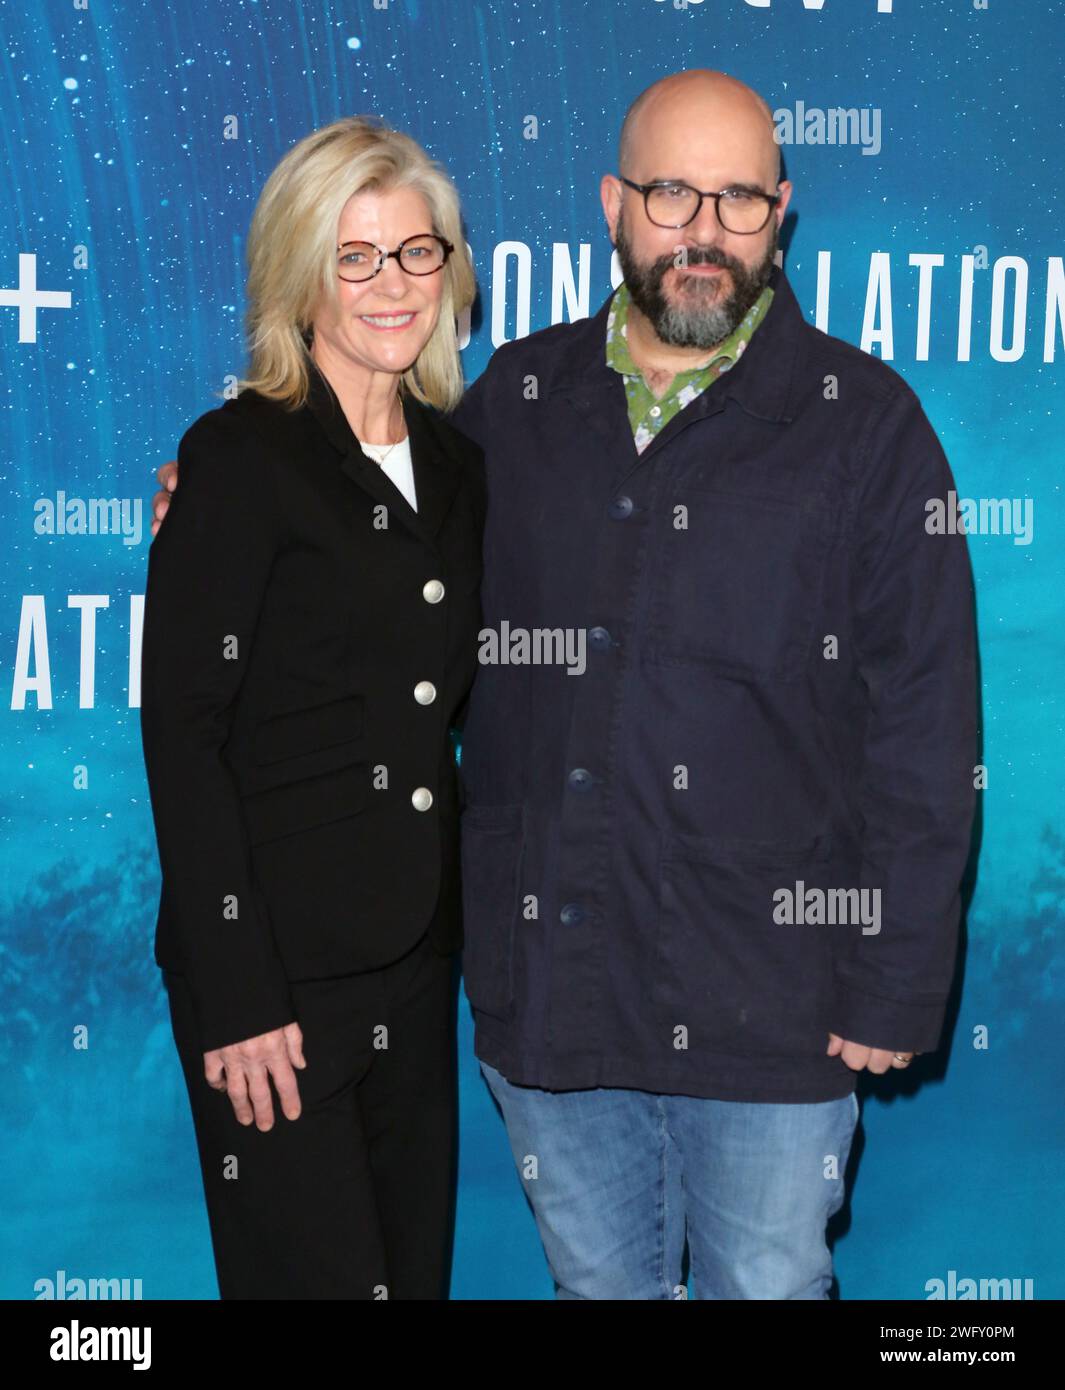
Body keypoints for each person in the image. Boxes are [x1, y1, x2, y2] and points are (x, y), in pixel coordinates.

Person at [153, 71, 978, 1301]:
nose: (702, 228)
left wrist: (896, 968)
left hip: (774, 1012)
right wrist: (208, 492)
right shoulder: (512, 413)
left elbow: (927, 721)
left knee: (768, 1286)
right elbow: (349, 546)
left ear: (782, 212)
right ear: (612, 205)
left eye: (738, 197)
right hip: (557, 1009)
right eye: (669, 192)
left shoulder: (866, 426)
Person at [140, 115, 484, 1300]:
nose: (393, 284)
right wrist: (240, 1000)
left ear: (451, 265)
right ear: (299, 277)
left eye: (416, 251)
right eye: (356, 256)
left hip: (412, 961)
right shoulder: (237, 459)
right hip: (272, 985)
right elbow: (182, 737)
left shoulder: (457, 465)